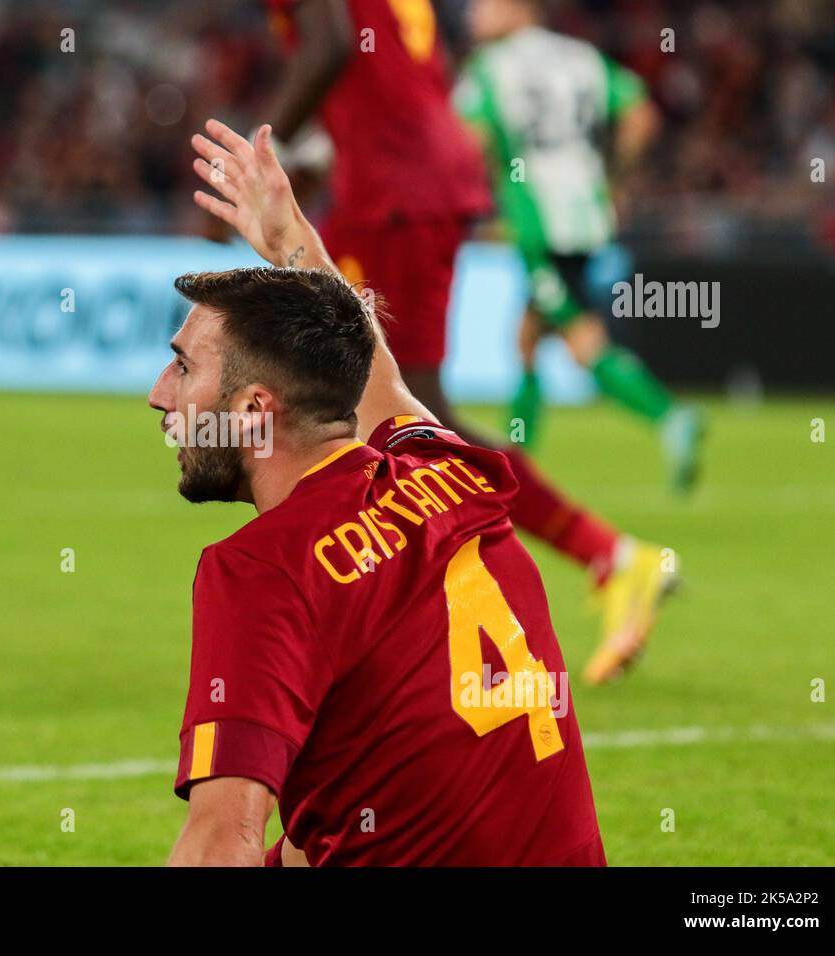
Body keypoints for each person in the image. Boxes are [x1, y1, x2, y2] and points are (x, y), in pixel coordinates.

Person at [158, 119, 604, 866]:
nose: (157, 396)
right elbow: (379, 378)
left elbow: (221, 840)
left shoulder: (262, 570)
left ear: (255, 412)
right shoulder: (441, 468)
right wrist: (292, 240)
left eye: (181, 370)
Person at [256, 0, 677, 684]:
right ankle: (582, 565)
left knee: (392, 413)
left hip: (398, 196)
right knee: (387, 409)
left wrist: (256, 154)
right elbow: (388, 75)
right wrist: (313, 157)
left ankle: (591, 563)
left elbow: (331, 46)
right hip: (406, 186)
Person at [456, 0, 705, 490]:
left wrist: (476, 197)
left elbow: (469, 139)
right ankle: (517, 462)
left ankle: (670, 416)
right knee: (527, 339)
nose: (472, 15)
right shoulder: (582, 57)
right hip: (586, 215)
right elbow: (642, 116)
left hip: (538, 223)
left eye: (483, 5)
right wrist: (612, 178)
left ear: (516, 10)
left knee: (581, 343)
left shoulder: (490, 68)